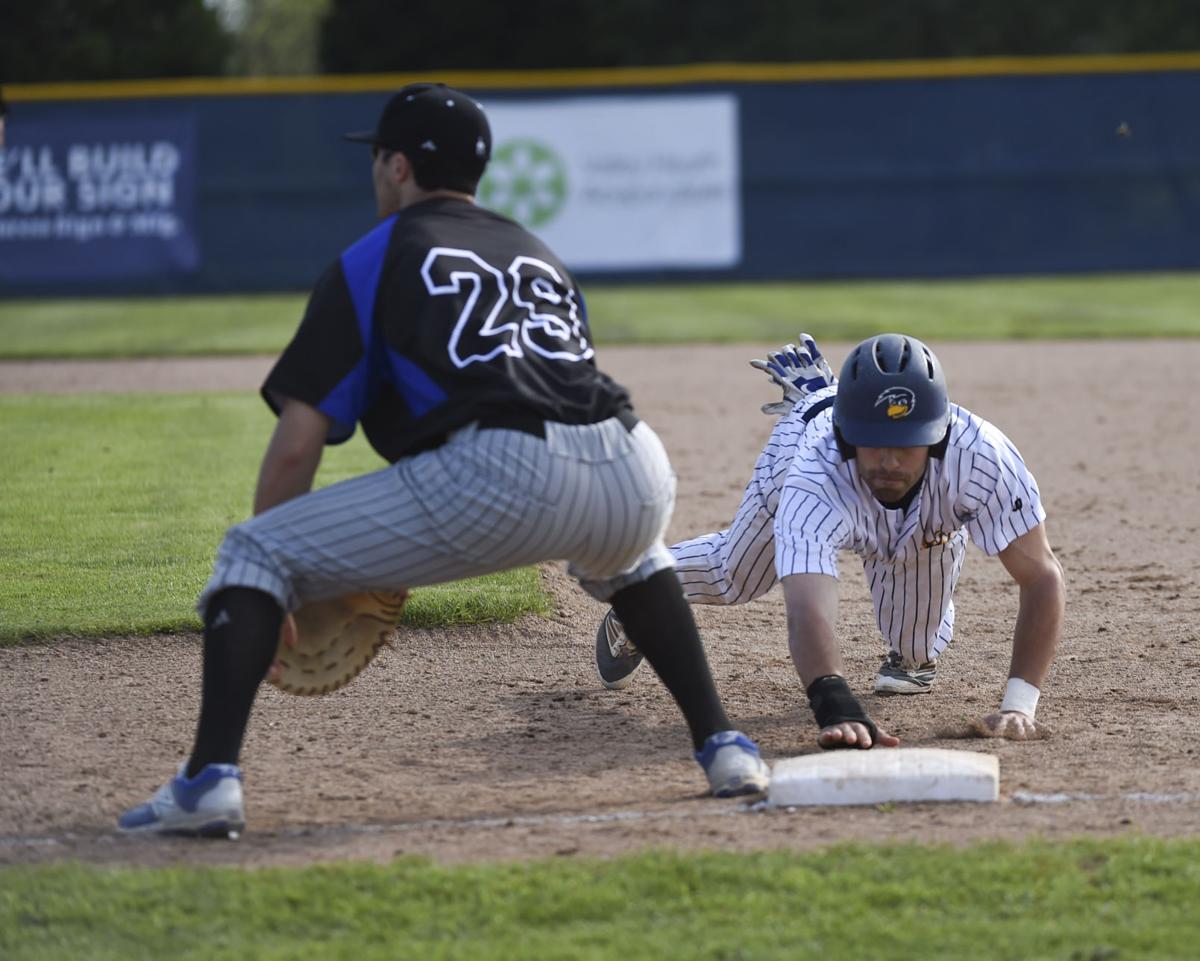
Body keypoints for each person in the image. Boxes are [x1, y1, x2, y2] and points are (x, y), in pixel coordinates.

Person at [117, 83, 768, 838]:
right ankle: (723, 747)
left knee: (250, 554)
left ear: (397, 166)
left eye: (378, 160)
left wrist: (282, 581)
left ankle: (207, 781)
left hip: (501, 470)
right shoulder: (538, 251)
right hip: (636, 463)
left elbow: (298, 443)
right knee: (633, 556)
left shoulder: (376, 255)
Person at [595, 333, 1065, 749]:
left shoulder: (982, 457)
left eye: (906, 443)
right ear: (845, 433)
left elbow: (1041, 575)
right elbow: (807, 606)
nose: (888, 461)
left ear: (938, 435)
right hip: (802, 444)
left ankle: (910, 654)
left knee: (917, 649)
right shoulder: (814, 473)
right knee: (733, 576)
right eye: (872, 440)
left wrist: (1020, 705)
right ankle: (640, 596)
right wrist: (832, 700)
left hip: (927, 517)